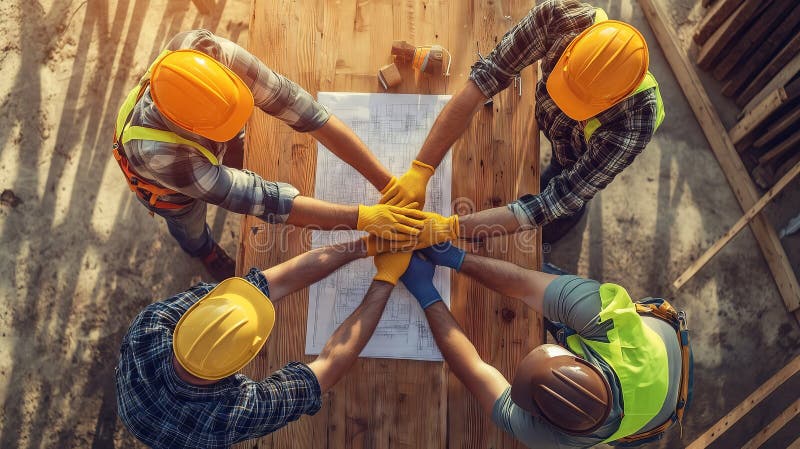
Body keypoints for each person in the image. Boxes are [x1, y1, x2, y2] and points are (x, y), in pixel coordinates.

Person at [113, 29, 427, 280]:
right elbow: (262, 198)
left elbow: (298, 106)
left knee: (238, 149)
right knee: (189, 225)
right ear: (192, 130)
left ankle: (225, 155)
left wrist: (387, 183)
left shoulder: (204, 51)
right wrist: (365, 218)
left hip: (198, 149)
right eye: (224, 131)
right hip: (171, 192)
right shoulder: (163, 156)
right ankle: (203, 250)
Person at [380, 0, 665, 245]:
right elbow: (485, 78)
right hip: (550, 124)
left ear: (613, 100)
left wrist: (451, 229)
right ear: (573, 47)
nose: (564, 103)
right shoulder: (559, 19)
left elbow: (561, 198)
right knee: (541, 184)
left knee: (562, 195)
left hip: (575, 155)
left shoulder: (634, 121)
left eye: (578, 105)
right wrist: (420, 169)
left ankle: (557, 226)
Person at [115, 238, 414, 449]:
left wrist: (367, 245)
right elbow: (328, 367)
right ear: (244, 361)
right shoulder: (229, 417)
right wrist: (386, 277)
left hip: (134, 410)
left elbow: (279, 279)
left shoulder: (151, 326)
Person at [399, 242, 691, 447]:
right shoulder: (603, 316)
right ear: (577, 359)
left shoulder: (553, 440)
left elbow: (474, 371)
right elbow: (525, 284)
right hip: (668, 343)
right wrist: (454, 257)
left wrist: (427, 295)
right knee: (539, 276)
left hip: (659, 416)